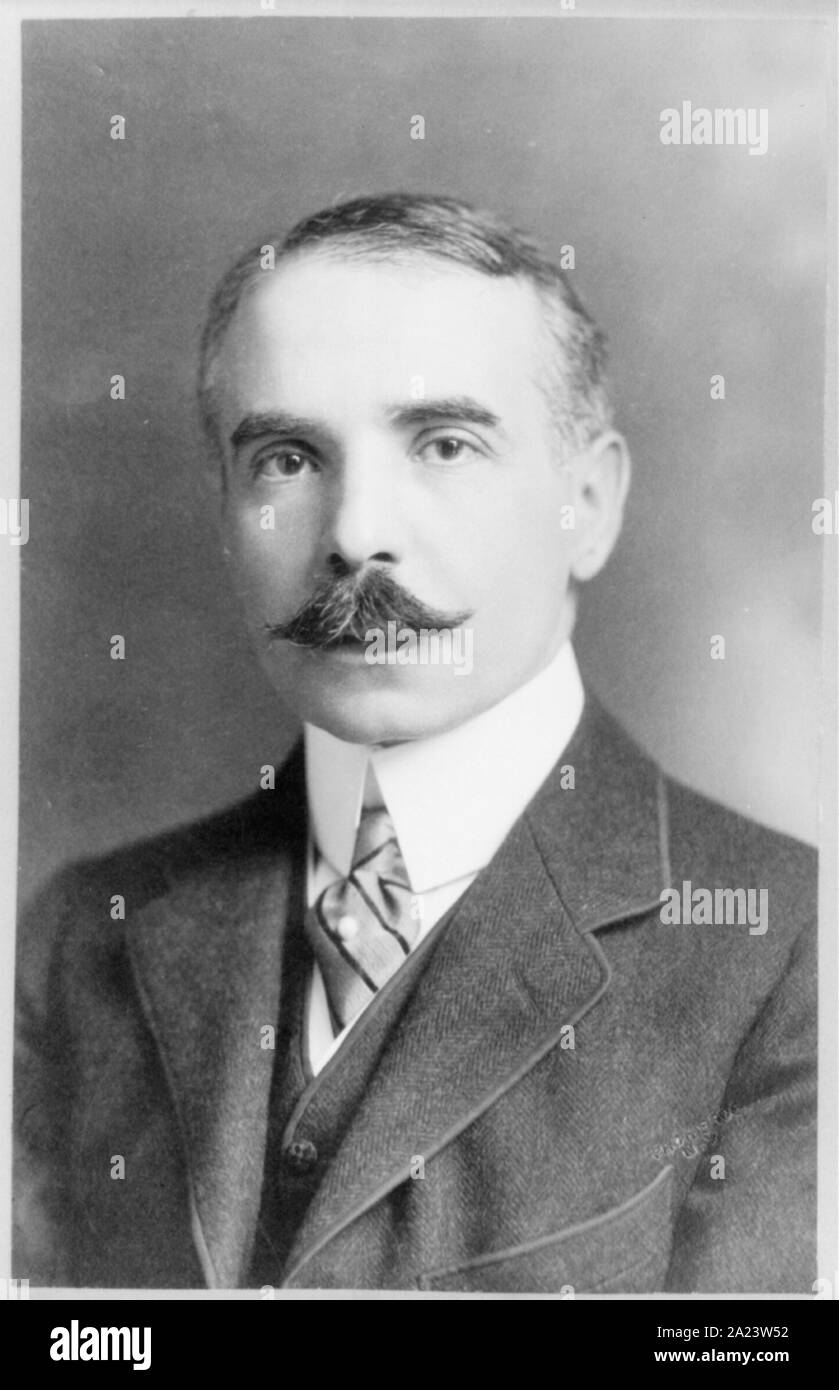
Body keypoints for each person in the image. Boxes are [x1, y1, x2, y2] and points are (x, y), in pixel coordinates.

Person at [14, 193, 816, 1293]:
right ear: (223, 511)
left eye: (443, 443)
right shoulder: (79, 938)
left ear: (587, 502)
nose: (353, 536)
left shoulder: (792, 952)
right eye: (288, 459)